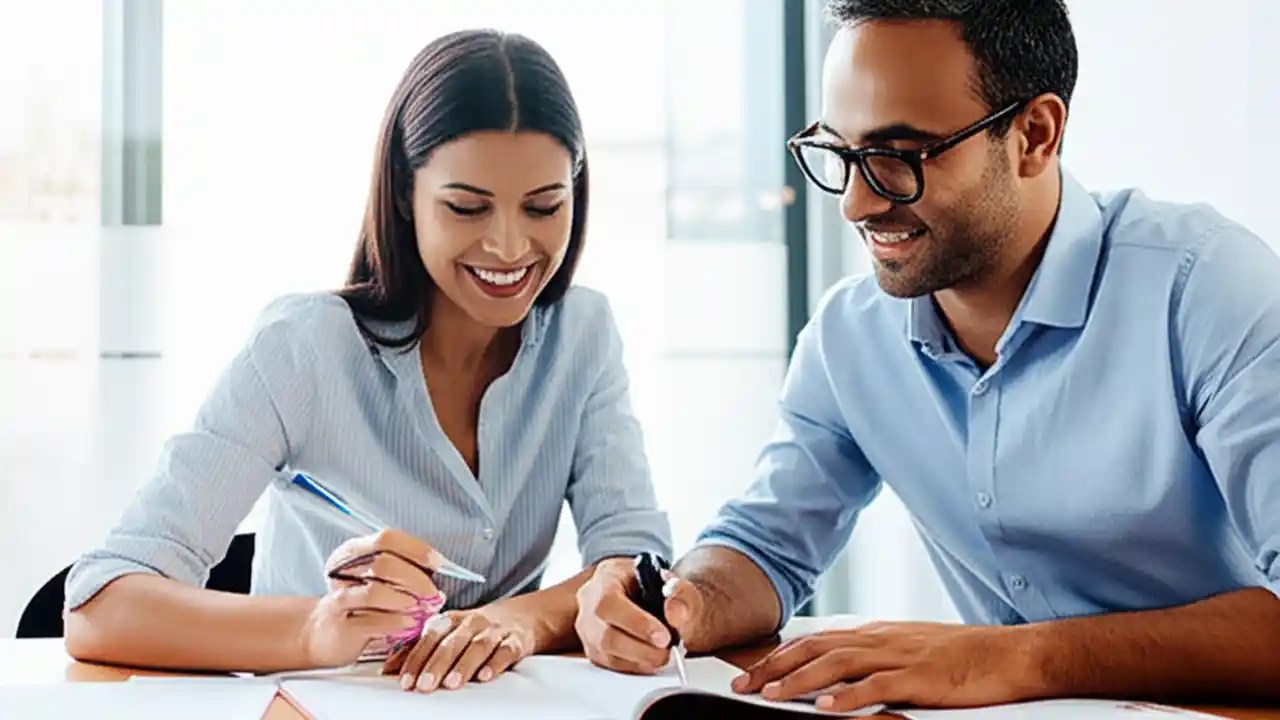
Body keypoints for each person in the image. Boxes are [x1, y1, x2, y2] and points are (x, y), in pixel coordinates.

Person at [576, 0, 1280, 711]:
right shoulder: (852, 336)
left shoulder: (1207, 290)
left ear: (1035, 134)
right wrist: (683, 602)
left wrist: (1017, 658)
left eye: (898, 157)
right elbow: (763, 548)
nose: (854, 203)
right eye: (841, 154)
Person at [64, 29, 671, 692]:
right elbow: (99, 605)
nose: (508, 245)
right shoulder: (302, 349)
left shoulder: (583, 334)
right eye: (466, 207)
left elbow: (635, 561)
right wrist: (316, 629)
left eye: (544, 206)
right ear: (407, 196)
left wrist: (518, 620)